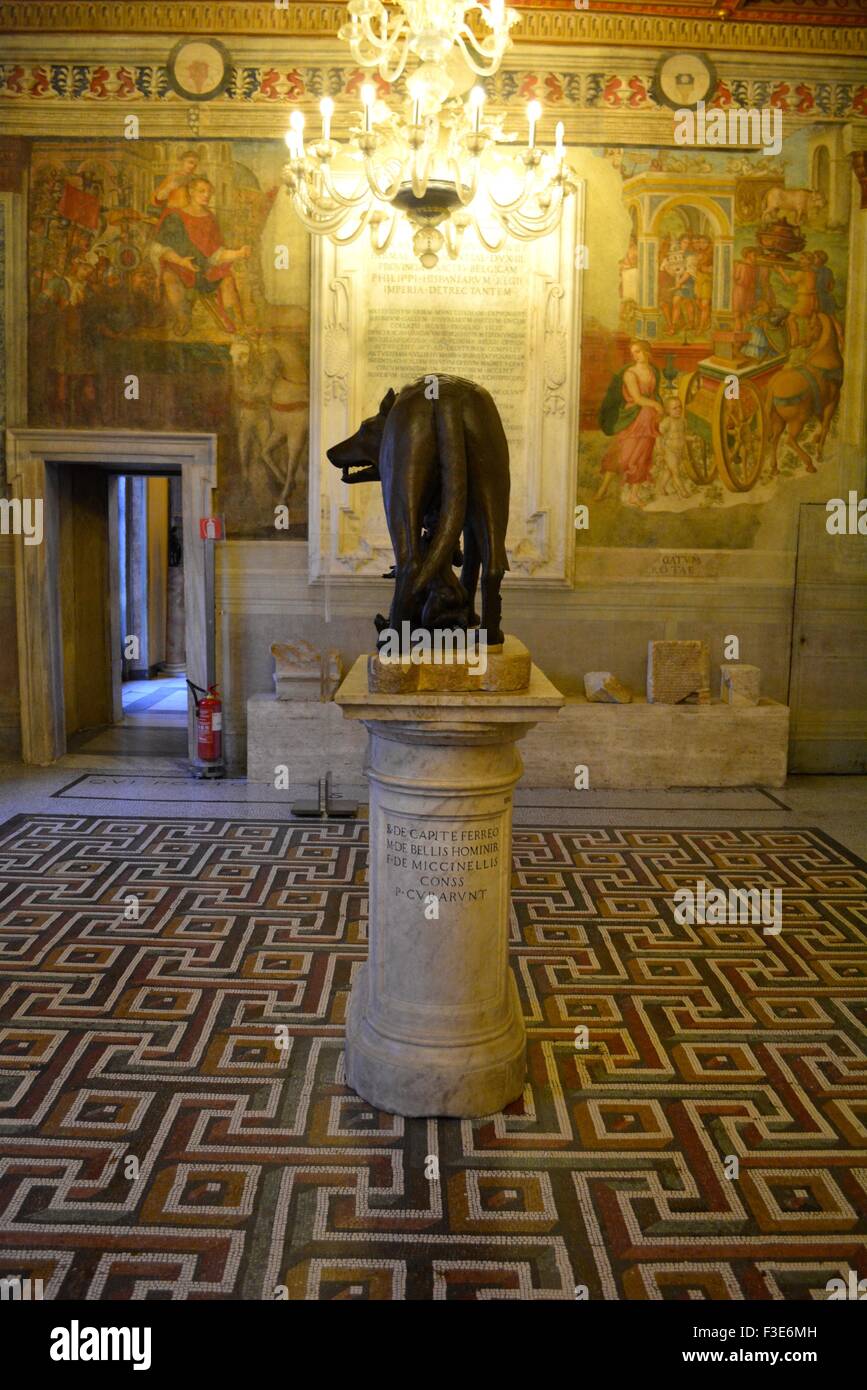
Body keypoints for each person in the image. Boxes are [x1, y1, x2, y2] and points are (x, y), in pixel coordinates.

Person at [151, 174, 250, 334]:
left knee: (227, 279)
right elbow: (160, 249)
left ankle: (235, 322)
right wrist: (182, 262)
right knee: (169, 276)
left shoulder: (210, 218)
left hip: (204, 270)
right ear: (190, 191)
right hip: (181, 268)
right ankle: (183, 318)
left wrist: (239, 253)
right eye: (201, 191)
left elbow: (216, 254)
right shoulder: (175, 217)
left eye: (209, 192)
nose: (206, 195)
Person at [595, 340, 663, 508]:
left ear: (647, 352)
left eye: (638, 351)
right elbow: (638, 399)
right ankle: (603, 488)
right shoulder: (629, 374)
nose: (635, 355)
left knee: (643, 456)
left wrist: (659, 407)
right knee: (621, 454)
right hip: (634, 416)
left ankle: (634, 495)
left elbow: (654, 393)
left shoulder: (653, 371)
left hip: (649, 418)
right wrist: (655, 405)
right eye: (633, 352)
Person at [773, 251, 818, 349]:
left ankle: (794, 341)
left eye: (802, 258)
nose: (799, 260)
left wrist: (781, 271)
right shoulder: (812, 272)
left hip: (804, 299)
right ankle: (807, 341)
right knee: (807, 321)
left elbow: (789, 282)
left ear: (808, 261)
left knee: (791, 319)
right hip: (812, 299)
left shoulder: (802, 272)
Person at [657, 396, 690, 498]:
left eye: (680, 407)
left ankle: (660, 487)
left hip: (679, 451)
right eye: (674, 408)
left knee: (669, 471)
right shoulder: (667, 421)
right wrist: (660, 450)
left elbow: (683, 436)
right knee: (675, 472)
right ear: (668, 411)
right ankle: (683, 491)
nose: (678, 409)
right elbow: (658, 435)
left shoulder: (683, 421)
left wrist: (691, 438)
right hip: (669, 451)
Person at [732, 247, 758, 333]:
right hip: (747, 290)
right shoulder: (753, 267)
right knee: (746, 312)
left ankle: (740, 331)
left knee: (739, 313)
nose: (755, 256)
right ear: (748, 255)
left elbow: (736, 277)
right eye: (754, 254)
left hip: (741, 290)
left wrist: (735, 267)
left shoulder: (741, 265)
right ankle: (748, 331)